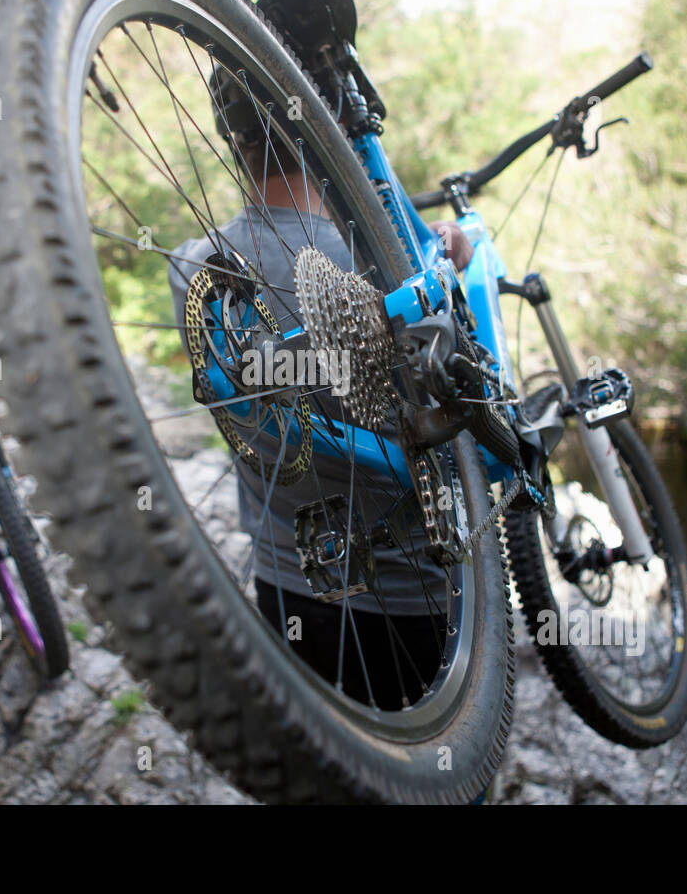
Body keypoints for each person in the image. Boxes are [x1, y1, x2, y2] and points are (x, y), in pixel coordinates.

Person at [168, 66, 474, 709]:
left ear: (232, 138)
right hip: (411, 594)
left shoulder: (191, 263)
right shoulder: (396, 269)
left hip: (285, 583)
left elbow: (253, 391)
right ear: (331, 130)